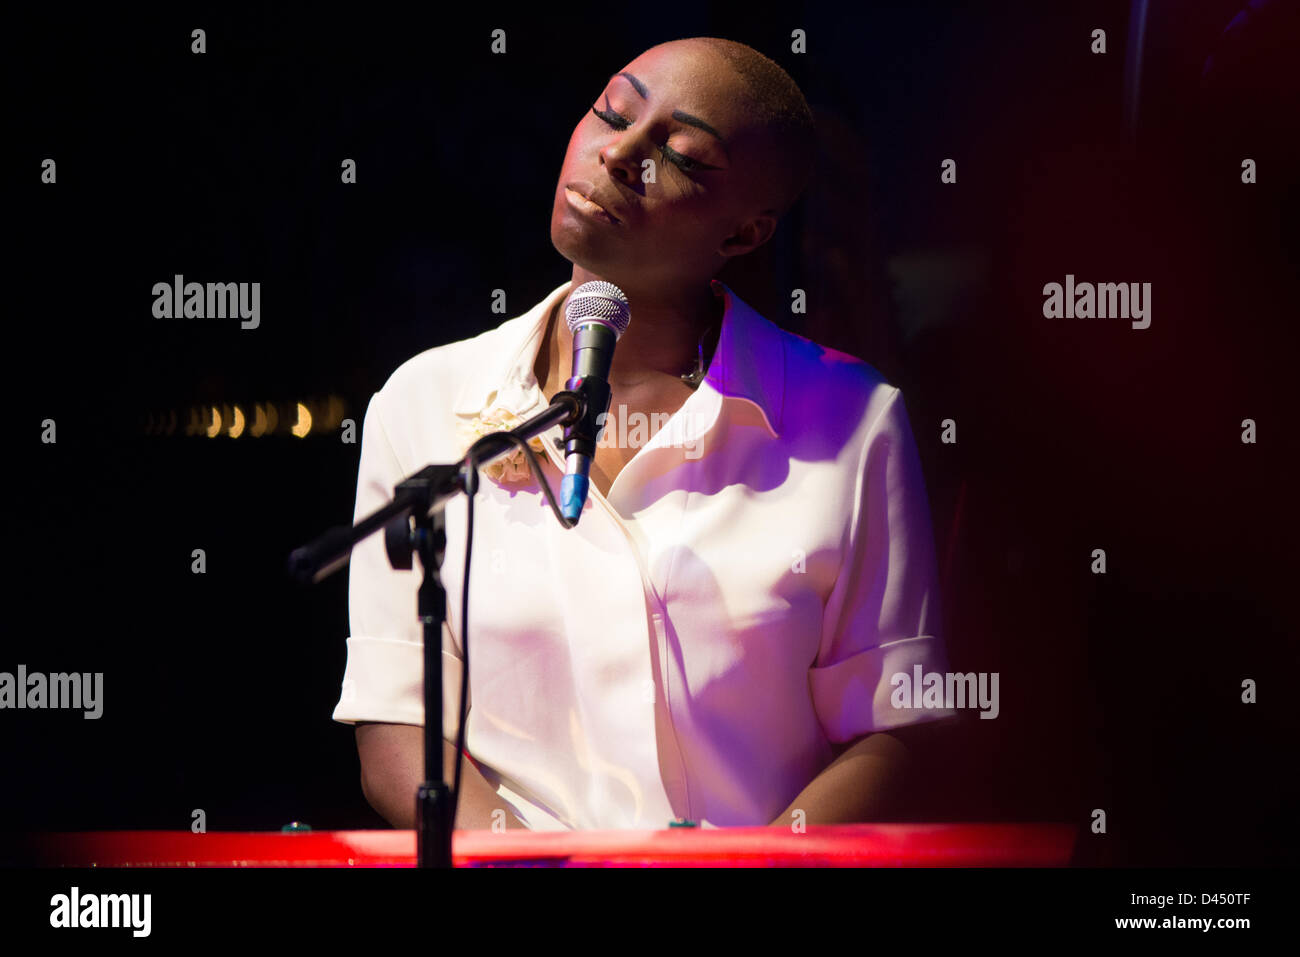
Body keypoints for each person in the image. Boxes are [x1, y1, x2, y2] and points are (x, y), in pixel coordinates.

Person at [333, 36, 955, 831]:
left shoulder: (851, 419)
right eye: (613, 112)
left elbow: (894, 728)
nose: (621, 155)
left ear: (743, 234)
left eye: (683, 157)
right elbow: (399, 723)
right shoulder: (423, 402)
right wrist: (520, 863)